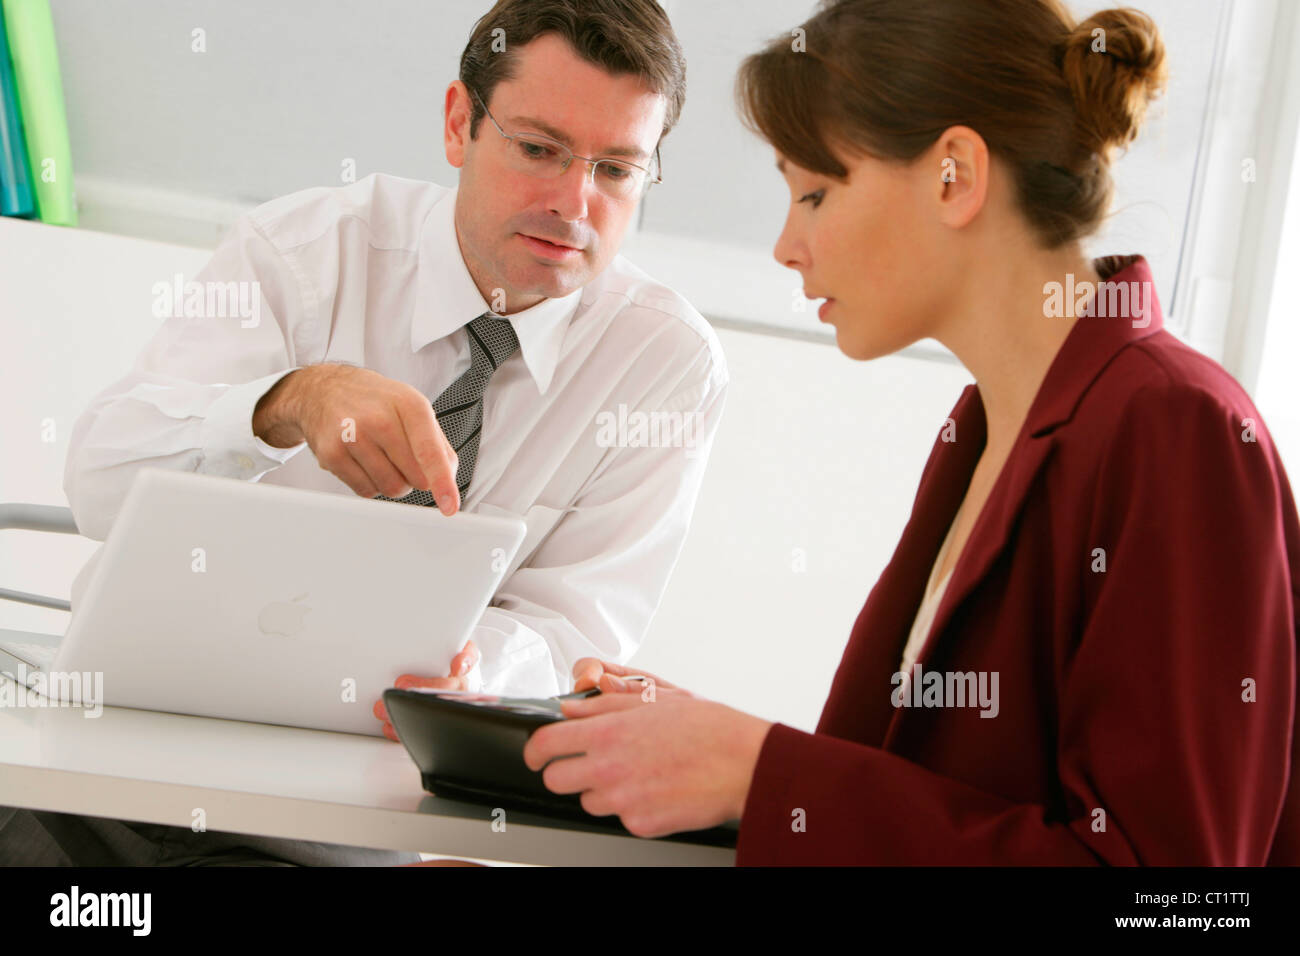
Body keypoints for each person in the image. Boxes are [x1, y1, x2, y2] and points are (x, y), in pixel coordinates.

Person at [523, 0, 1300, 865]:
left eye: (815, 192)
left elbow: (1178, 905)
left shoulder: (1174, 427)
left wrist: (763, 775)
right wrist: (708, 751)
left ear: (954, 176)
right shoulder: (984, 428)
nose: (787, 245)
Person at [1, 0, 727, 866]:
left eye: (616, 170)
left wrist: (472, 674)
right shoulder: (305, 253)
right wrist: (281, 404)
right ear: (460, 123)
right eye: (538, 149)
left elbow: (580, 632)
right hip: (104, 770)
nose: (574, 203)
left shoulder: (663, 362)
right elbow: (100, 483)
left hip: (338, 829)